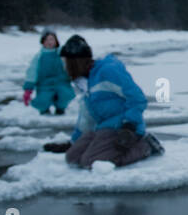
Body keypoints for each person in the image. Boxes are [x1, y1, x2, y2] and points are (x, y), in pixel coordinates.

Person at [40, 34, 164, 167]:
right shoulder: (84, 82)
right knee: (72, 157)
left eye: (66, 62)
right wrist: (73, 142)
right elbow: (87, 117)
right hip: (103, 128)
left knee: (91, 161)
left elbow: (137, 98)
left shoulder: (107, 72)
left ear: (75, 61)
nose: (64, 67)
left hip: (124, 128)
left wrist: (129, 125)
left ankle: (146, 146)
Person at [21, 30, 74, 115]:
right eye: (46, 40)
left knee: (66, 95)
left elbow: (71, 67)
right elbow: (32, 73)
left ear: (56, 41)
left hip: (62, 83)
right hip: (44, 85)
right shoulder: (39, 57)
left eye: (51, 39)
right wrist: (28, 89)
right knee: (42, 101)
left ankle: (60, 108)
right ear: (43, 42)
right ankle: (44, 110)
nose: (49, 42)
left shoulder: (63, 54)